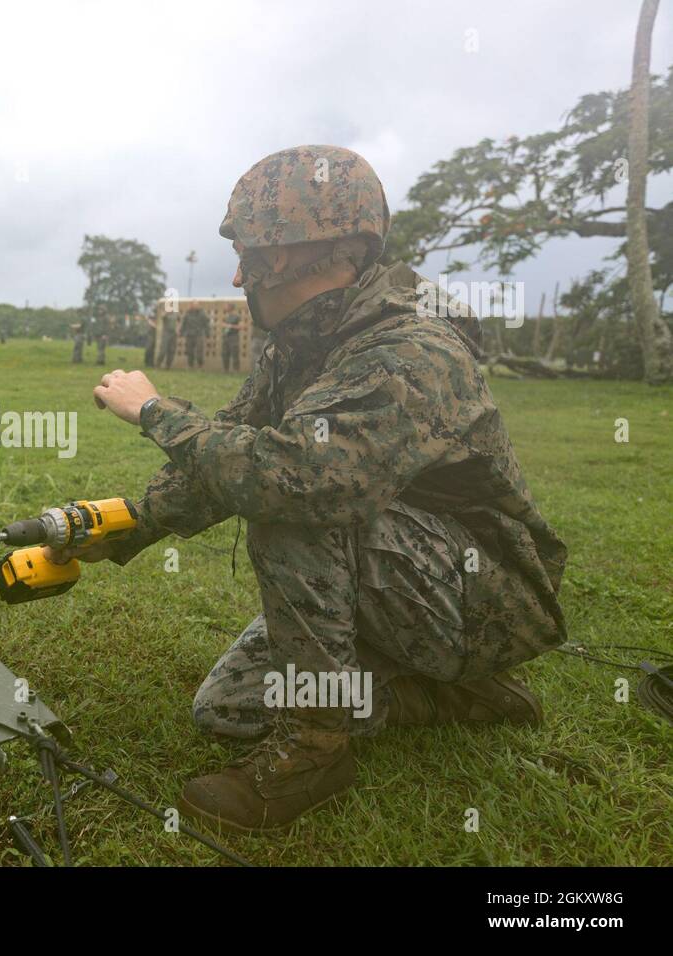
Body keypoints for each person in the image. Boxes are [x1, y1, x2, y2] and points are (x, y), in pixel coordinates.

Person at [75, 145, 567, 833]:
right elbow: (233, 448)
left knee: (292, 501)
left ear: (333, 253)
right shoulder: (304, 342)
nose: (243, 273)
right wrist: (120, 525)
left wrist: (157, 414)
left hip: (483, 594)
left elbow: (296, 479)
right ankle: (453, 695)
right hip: (399, 580)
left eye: (260, 255)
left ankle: (316, 751)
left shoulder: (412, 350)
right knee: (227, 709)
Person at [221, 307, 242, 372]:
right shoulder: (226, 317)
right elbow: (222, 325)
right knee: (225, 353)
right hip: (226, 337)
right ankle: (225, 369)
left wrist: (230, 326)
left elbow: (240, 326)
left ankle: (236, 369)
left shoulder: (237, 317)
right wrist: (224, 326)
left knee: (235, 353)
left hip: (234, 337)